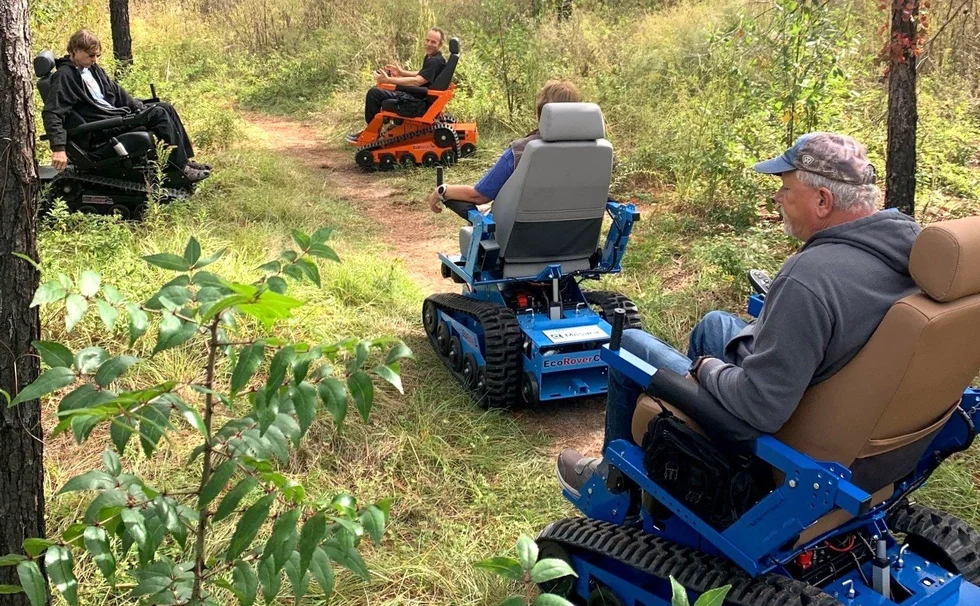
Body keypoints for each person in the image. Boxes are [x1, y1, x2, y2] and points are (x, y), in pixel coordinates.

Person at [556, 131, 923, 494]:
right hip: (844, 414)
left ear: (823, 201)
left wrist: (708, 369)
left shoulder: (810, 278)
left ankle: (610, 482)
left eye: (786, 188)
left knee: (631, 344)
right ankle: (675, 458)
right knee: (714, 325)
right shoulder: (908, 249)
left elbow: (760, 407)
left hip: (780, 436)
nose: (777, 196)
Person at [42, 29, 209, 184]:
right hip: (100, 127)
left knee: (164, 107)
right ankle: (179, 171)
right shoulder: (64, 77)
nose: (94, 60)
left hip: (112, 115)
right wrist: (58, 148)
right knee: (158, 114)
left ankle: (185, 161)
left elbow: (117, 92)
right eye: (91, 55)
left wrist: (138, 107)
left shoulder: (92, 69)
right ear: (75, 50)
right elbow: (52, 113)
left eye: (97, 55)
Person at [427, 80, 581, 219]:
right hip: (577, 241)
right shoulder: (596, 153)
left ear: (541, 112)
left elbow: (478, 196)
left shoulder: (522, 151)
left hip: (524, 241)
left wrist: (443, 190)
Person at [349, 27, 447, 139]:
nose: (429, 44)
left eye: (433, 42)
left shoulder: (435, 61)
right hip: (418, 96)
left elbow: (417, 81)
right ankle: (373, 130)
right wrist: (401, 72)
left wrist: (388, 80)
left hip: (416, 100)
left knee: (374, 93)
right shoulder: (434, 57)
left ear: (440, 44)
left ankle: (371, 133)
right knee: (379, 91)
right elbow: (421, 74)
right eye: (427, 40)